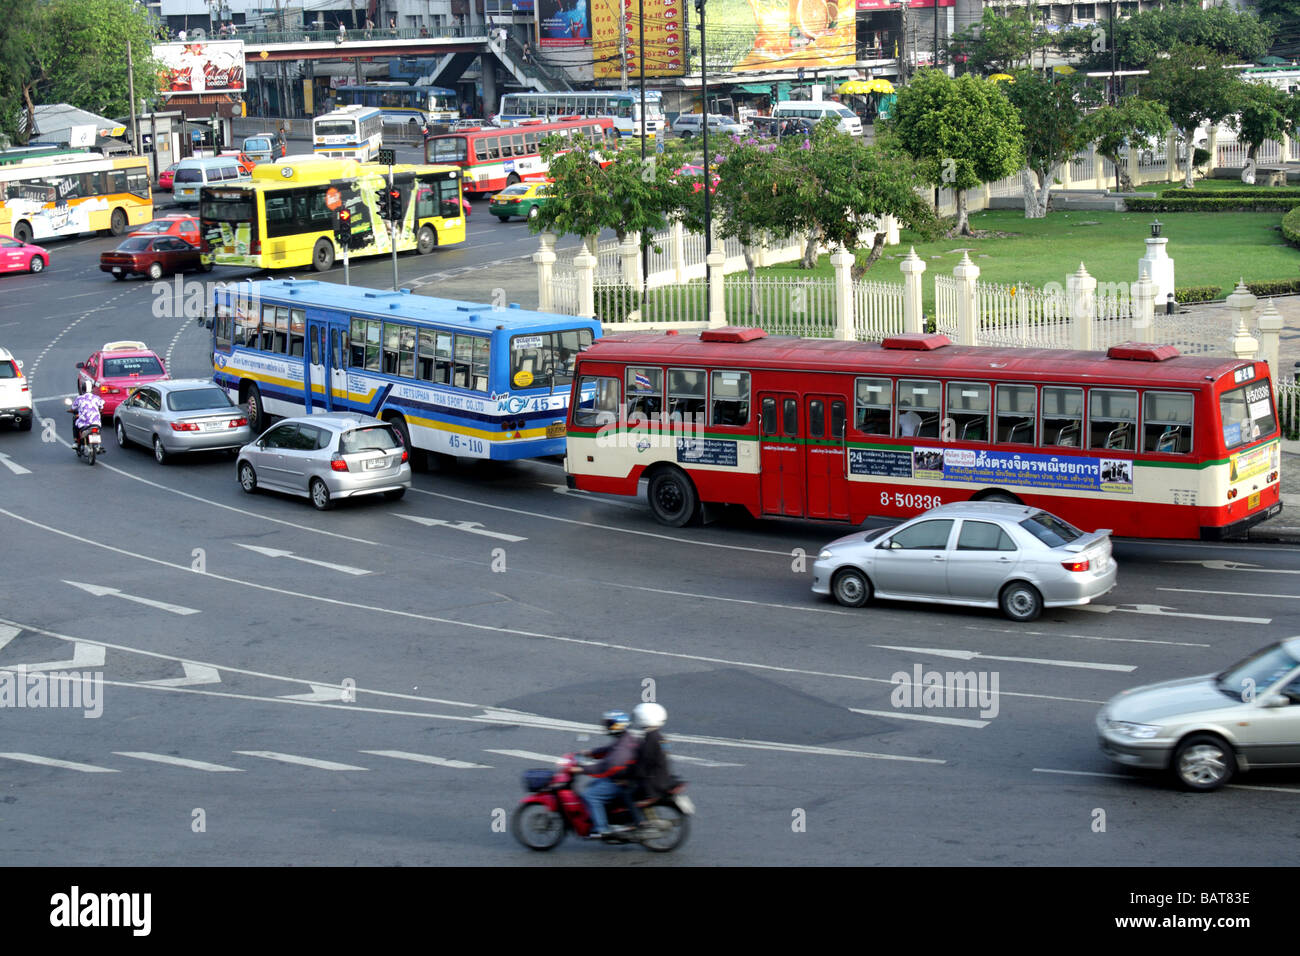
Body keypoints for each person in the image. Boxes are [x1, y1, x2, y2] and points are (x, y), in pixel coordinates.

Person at [575, 710, 641, 838]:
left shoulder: (622, 746)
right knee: (593, 784)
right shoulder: (625, 738)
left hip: (621, 780)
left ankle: (602, 828)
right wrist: (590, 752)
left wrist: (582, 769)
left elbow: (605, 767)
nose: (606, 726)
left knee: (590, 795)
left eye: (609, 723)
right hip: (625, 776)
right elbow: (609, 750)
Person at [630, 703, 679, 806]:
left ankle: (638, 820)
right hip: (663, 776)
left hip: (653, 783)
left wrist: (631, 774)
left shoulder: (650, 739)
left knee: (626, 795)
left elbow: (644, 762)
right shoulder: (659, 737)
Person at [69, 378, 104, 452]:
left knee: (75, 420)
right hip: (96, 424)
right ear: (91, 389)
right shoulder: (97, 398)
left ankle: (76, 442)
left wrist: (72, 411)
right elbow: (101, 407)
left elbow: (73, 407)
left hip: (84, 424)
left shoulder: (79, 398)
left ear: (83, 389)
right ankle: (98, 445)